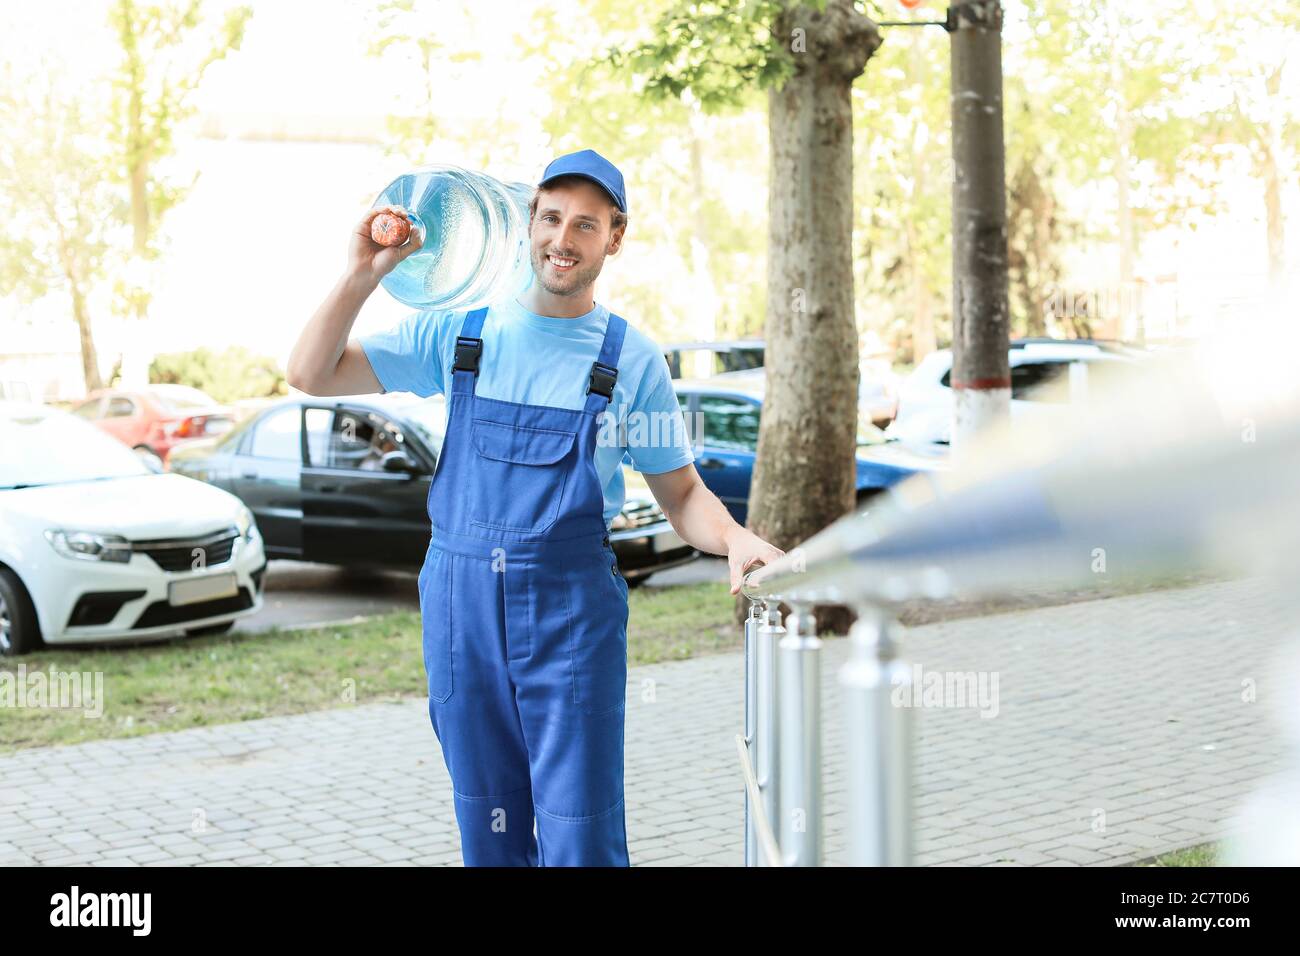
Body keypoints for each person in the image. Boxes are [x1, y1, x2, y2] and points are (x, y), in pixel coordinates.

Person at [286, 148, 783, 867]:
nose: (563, 239)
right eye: (551, 218)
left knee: (579, 833)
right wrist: (362, 275)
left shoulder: (630, 360)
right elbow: (310, 371)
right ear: (527, 223)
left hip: (570, 619)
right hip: (462, 616)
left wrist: (734, 537)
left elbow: (681, 496)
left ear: (614, 237)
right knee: (488, 832)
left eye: (586, 225)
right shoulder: (460, 335)